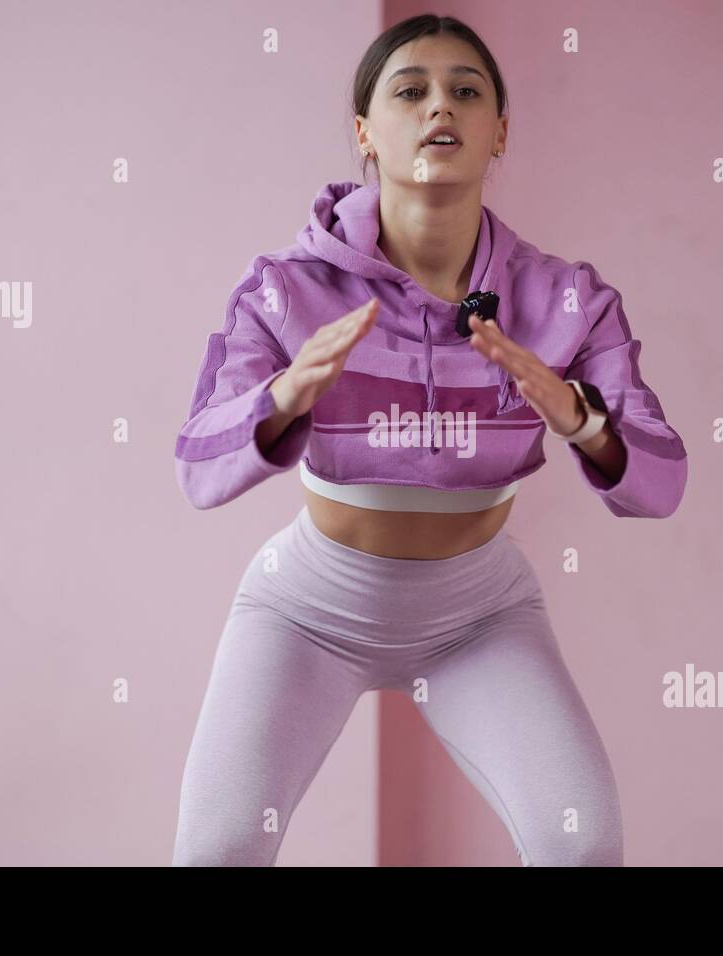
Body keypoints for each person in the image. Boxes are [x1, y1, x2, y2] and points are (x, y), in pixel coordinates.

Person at [171, 13, 688, 867]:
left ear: (500, 133)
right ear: (368, 133)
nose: (439, 105)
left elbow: (663, 482)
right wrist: (285, 395)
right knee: (218, 850)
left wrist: (581, 418)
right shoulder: (284, 288)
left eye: (466, 90)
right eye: (410, 90)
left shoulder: (568, 300)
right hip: (307, 609)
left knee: (581, 843)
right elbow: (196, 464)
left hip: (477, 615)